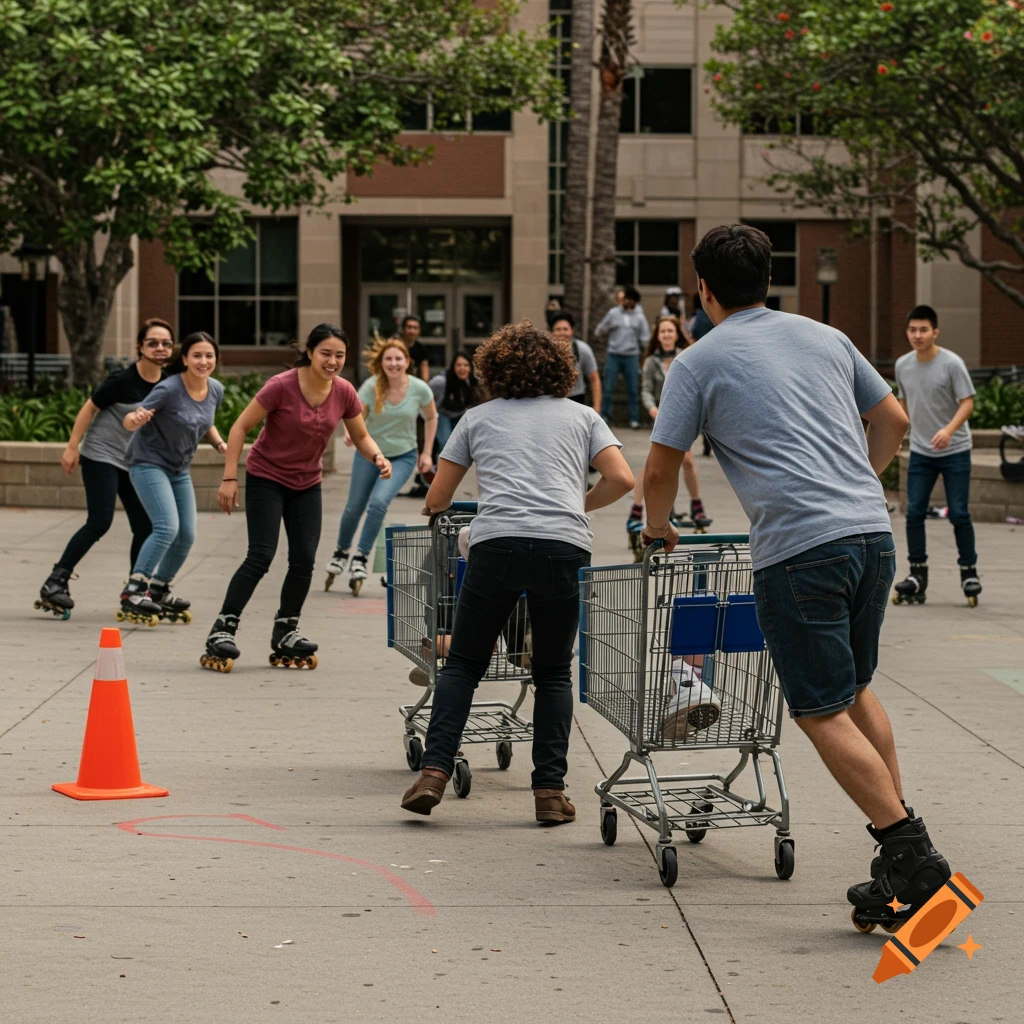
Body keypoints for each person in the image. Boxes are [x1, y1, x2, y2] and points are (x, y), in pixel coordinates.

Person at [643, 224, 949, 924]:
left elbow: (661, 465)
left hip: (800, 551)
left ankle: (912, 854)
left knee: (817, 709)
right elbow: (894, 421)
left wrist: (658, 527)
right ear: (770, 277)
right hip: (870, 537)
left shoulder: (698, 360)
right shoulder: (826, 336)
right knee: (854, 690)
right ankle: (896, 866)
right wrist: (854, 486)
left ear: (704, 288)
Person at [400, 320, 634, 822]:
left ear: (494, 370)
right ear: (559, 369)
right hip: (563, 549)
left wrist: (436, 508)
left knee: (463, 664)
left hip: (497, 546)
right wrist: (577, 506)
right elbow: (622, 478)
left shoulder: (478, 418)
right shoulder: (583, 416)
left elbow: (438, 495)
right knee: (552, 672)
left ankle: (435, 771)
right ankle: (549, 791)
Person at [203, 324, 392, 672]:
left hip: (307, 482)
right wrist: (229, 478)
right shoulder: (282, 385)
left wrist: (378, 456)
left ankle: (286, 629)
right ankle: (223, 628)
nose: (333, 361)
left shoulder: (345, 391)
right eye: (326, 353)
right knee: (261, 555)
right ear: (310, 351)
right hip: (266, 477)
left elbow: (361, 435)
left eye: (340, 355)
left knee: (304, 558)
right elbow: (239, 428)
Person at [36, 318, 172, 617]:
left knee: (146, 526)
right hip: (101, 454)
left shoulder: (169, 381)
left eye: (166, 343)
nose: (160, 348)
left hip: (133, 460)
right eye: (153, 342)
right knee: (100, 521)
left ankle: (137, 590)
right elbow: (89, 408)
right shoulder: (123, 380)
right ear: (140, 347)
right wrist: (73, 447)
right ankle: (55, 582)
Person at [121, 331, 227, 623]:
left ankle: (158, 588)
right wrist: (136, 420)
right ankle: (134, 589)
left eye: (209, 356)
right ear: (184, 359)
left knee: (187, 535)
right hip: (147, 462)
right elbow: (130, 419)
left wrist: (219, 443)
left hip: (179, 468)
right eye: (197, 355)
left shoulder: (215, 389)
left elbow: (205, 421)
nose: (203, 361)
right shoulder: (168, 389)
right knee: (167, 527)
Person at [327, 336, 437, 594]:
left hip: (403, 456)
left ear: (407, 362)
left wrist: (427, 453)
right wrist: (349, 432)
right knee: (354, 506)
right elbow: (355, 413)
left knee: (378, 503)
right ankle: (341, 551)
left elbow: (431, 417)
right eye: (388, 359)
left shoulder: (420, 389)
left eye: (399, 358)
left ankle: (360, 557)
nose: (394, 363)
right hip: (370, 455)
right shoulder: (371, 386)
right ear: (382, 362)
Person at [893, 305, 980, 606]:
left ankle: (969, 571)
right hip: (921, 450)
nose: (917, 335)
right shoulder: (903, 365)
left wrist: (948, 430)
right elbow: (903, 406)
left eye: (923, 330)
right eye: (913, 330)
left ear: (935, 332)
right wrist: (897, 437)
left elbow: (967, 404)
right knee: (914, 512)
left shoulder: (952, 364)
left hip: (955, 449)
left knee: (959, 513)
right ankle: (918, 574)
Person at [627, 315, 710, 539]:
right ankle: (636, 509)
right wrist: (652, 408)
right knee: (653, 463)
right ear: (658, 336)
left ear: (676, 334)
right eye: (662, 331)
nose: (666, 335)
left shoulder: (686, 357)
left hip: (683, 416)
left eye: (670, 331)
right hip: (660, 416)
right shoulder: (651, 362)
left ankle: (696, 505)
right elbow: (645, 390)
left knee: (687, 460)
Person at [595, 285, 650, 428]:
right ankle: (605, 416)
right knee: (608, 388)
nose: (627, 302)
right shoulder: (613, 313)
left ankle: (634, 419)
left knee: (633, 389)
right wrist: (609, 327)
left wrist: (646, 354)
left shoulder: (640, 317)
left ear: (635, 302)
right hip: (614, 355)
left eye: (630, 300)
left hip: (631, 356)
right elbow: (599, 331)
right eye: (626, 299)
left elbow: (645, 339)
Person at [429, 349, 484, 452]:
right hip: (443, 413)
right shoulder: (441, 381)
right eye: (458, 365)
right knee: (446, 444)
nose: (462, 368)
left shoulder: (473, 381)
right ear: (453, 366)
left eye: (466, 365)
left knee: (461, 445)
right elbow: (425, 395)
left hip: (460, 413)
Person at [549, 312, 602, 413]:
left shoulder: (583, 349)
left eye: (565, 329)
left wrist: (597, 406)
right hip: (552, 399)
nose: (562, 333)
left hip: (576, 398)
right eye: (558, 329)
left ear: (572, 331)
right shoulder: (545, 351)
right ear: (552, 332)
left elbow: (594, 379)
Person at [399, 315, 431, 382]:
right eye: (409, 327)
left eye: (415, 328)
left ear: (419, 331)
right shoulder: (395, 346)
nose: (412, 331)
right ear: (403, 329)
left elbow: (424, 368)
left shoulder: (421, 349)